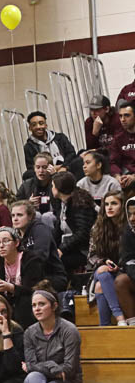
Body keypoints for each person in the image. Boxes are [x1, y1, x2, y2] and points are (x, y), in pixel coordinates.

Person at [89, 192, 135, 325]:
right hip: (103, 268)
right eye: (106, 204)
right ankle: (119, 318)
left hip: (123, 270)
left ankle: (106, 327)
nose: (109, 207)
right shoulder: (97, 227)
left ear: (122, 206)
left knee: (99, 287)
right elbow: (91, 256)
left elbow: (127, 256)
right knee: (103, 272)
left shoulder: (129, 227)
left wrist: (118, 267)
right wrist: (104, 261)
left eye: (114, 203)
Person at [0, 227, 42, 328]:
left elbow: (32, 289)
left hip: (28, 299)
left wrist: (10, 287)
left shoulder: (30, 259)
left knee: (23, 302)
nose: (1, 246)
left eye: (6, 241)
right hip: (8, 299)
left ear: (16, 243)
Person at [11, 200, 69, 291]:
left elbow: (40, 256)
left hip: (51, 277)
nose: (15, 219)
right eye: (13, 215)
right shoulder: (15, 236)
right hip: (29, 278)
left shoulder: (40, 229)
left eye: (19, 215)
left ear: (30, 216)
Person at [52, 172, 98, 277]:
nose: (52, 188)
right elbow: (58, 231)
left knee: (54, 263)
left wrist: (62, 249)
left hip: (86, 251)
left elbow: (83, 234)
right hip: (72, 247)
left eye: (53, 186)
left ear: (59, 188)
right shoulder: (63, 202)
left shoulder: (80, 204)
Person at [22, 111, 82, 181]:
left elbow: (71, 154)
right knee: (27, 175)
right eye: (34, 125)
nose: (38, 127)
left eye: (41, 123)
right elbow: (31, 167)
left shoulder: (60, 137)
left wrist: (64, 167)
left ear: (46, 125)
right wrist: (49, 170)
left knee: (79, 160)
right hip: (46, 174)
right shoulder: (29, 146)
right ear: (30, 128)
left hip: (65, 168)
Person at [16, 152, 58, 226]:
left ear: (51, 168)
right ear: (34, 168)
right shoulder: (27, 184)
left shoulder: (57, 182)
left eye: (44, 167)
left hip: (53, 216)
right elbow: (16, 204)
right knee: (36, 215)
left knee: (47, 217)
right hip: (35, 216)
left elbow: (63, 199)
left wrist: (55, 176)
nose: (41, 171)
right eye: (38, 167)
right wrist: (28, 203)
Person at [109, 101, 135, 189]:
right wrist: (117, 176)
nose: (123, 119)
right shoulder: (118, 138)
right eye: (120, 116)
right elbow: (112, 162)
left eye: (127, 115)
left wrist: (134, 177)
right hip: (125, 176)